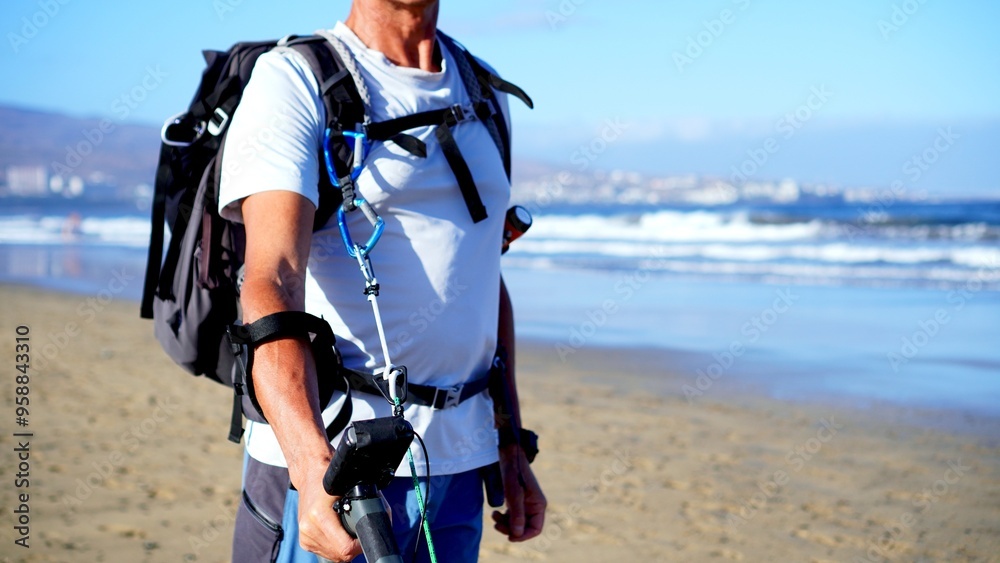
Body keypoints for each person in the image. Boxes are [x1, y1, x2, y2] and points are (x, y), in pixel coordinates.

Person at [217, 1, 546, 561]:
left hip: (458, 464)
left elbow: (483, 276)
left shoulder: (482, 91)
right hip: (343, 468)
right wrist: (313, 468)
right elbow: (271, 279)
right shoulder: (295, 78)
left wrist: (509, 437)